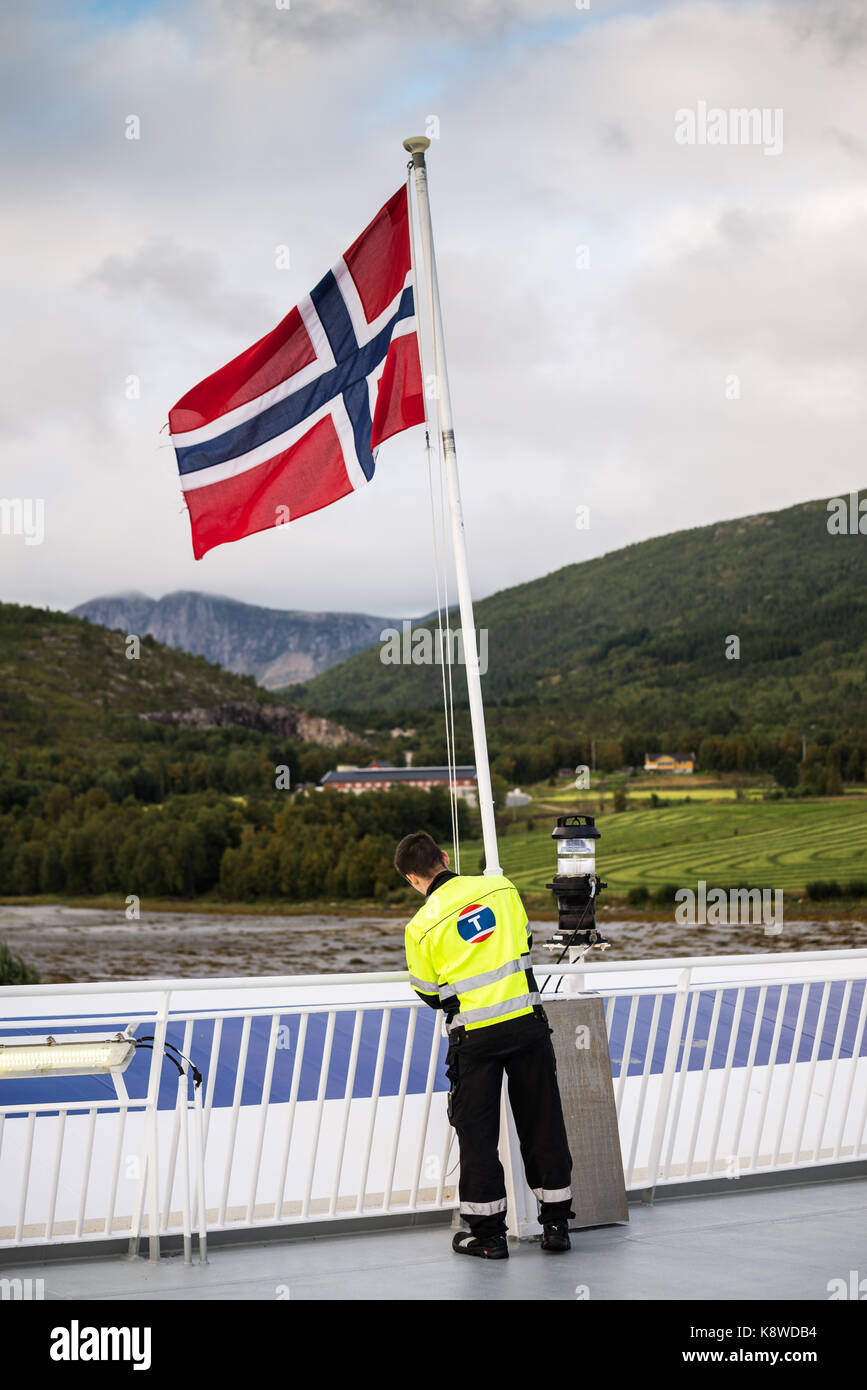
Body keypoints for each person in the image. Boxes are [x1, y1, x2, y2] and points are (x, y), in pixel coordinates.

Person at [396, 829, 575, 1260]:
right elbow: (524, 942)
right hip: (527, 1025)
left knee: (477, 1135)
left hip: (475, 1039)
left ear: (412, 880)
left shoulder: (420, 927)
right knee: (542, 1121)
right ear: (443, 856)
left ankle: (490, 1236)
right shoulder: (501, 887)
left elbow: (429, 992)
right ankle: (555, 1227)